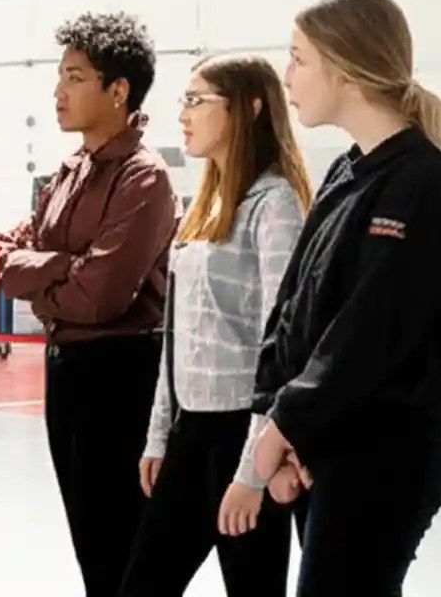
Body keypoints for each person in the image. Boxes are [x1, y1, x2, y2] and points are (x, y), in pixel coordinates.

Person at [248, 0, 441, 596]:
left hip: (385, 452)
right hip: (327, 441)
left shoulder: (425, 183)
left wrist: (283, 427)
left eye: (299, 58)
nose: (288, 75)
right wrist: (278, 415)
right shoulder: (347, 169)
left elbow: (370, 331)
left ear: (345, 68)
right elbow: (296, 307)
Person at [0, 11, 179, 597]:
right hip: (67, 372)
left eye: (74, 77)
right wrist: (65, 266)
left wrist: (49, 272)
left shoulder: (145, 179)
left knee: (120, 545)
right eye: (59, 75)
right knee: (89, 541)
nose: (58, 91)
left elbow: (99, 297)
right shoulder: (70, 170)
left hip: (119, 378)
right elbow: (7, 259)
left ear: (118, 91)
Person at [118, 53, 312, 596]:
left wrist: (253, 470)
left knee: (253, 586)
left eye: (196, 100)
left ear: (249, 108)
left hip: (243, 434)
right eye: (183, 100)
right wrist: (159, 433)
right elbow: (175, 334)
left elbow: (284, 345)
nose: (183, 113)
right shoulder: (204, 203)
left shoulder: (276, 205)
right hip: (192, 430)